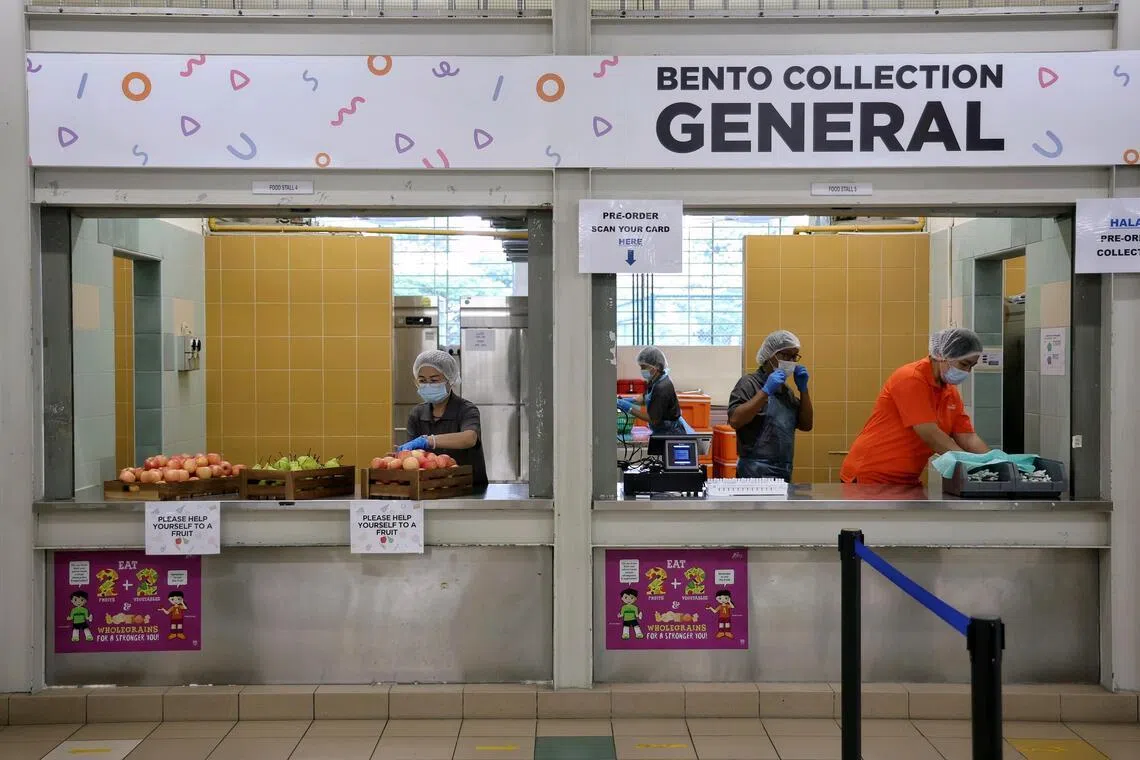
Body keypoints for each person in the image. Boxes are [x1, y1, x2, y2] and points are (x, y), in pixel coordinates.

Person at [841, 328, 990, 486]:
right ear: (943, 355)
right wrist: (972, 466)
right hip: (872, 475)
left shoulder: (949, 392)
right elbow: (929, 433)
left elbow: (967, 437)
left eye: (971, 366)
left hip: (906, 479)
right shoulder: (910, 378)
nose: (966, 371)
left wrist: (994, 463)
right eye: (964, 364)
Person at [727, 330, 813, 482]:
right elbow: (735, 420)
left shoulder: (786, 391)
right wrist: (765, 391)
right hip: (753, 473)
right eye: (785, 355)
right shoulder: (749, 383)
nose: (790, 361)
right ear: (769, 355)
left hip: (783, 472)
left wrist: (804, 390)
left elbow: (806, 425)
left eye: (794, 356)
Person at [399, 349, 488, 489]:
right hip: (430, 488)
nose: (428, 385)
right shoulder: (416, 414)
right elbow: (414, 457)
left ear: (450, 380)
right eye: (422, 380)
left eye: (434, 380)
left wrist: (429, 441)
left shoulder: (466, 410)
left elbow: (469, 438)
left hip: (468, 488)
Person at [617, 346, 688, 437]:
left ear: (656, 366)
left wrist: (629, 408)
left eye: (644, 367)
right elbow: (645, 398)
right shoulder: (655, 379)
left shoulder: (662, 387)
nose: (642, 370)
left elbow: (652, 418)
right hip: (661, 430)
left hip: (671, 433)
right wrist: (629, 400)